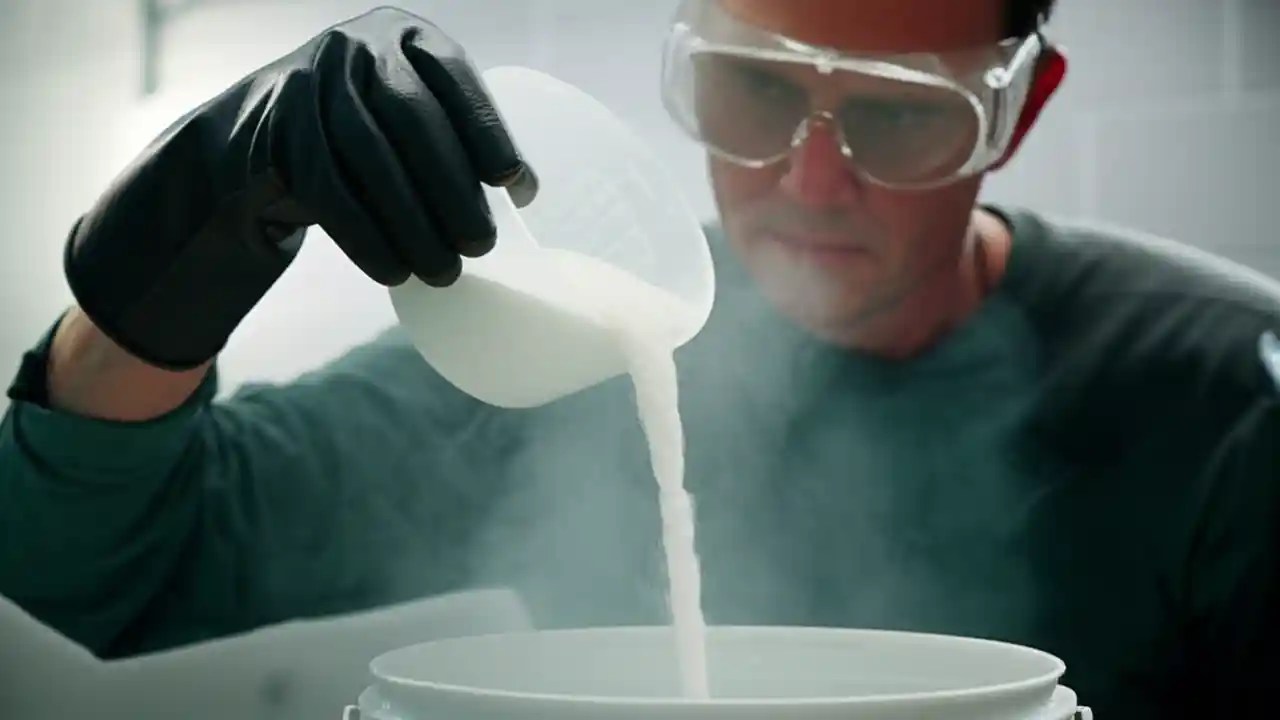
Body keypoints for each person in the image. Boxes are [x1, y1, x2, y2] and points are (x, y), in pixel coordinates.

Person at [1, 1, 1276, 717]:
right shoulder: (582, 346)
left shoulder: (1221, 397)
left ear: (1018, 110)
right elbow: (101, 566)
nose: (811, 180)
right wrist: (179, 257)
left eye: (900, 114)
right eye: (752, 93)